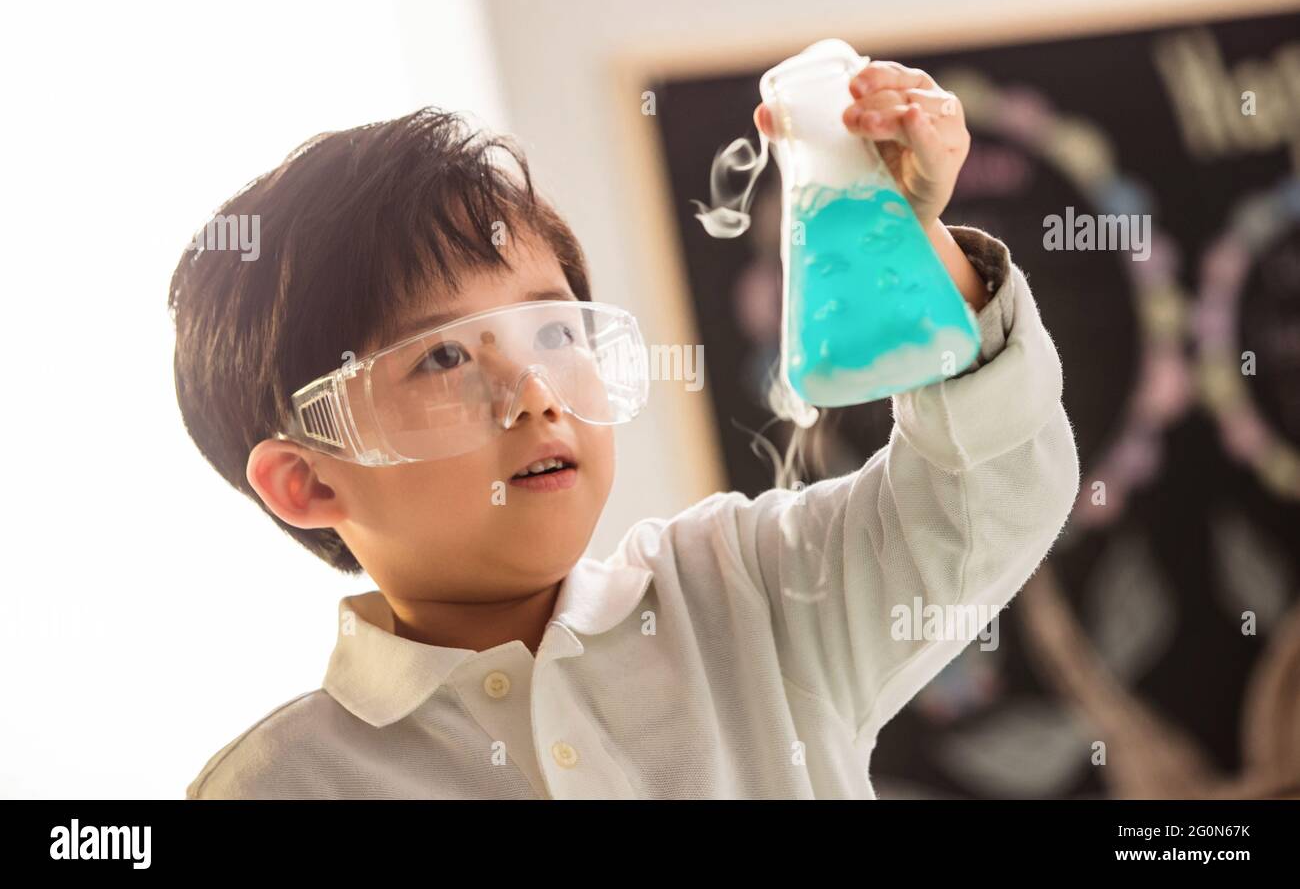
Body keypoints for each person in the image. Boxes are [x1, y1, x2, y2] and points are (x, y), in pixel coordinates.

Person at [175, 59, 1080, 798]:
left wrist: (908, 246)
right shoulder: (283, 784)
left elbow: (987, 497)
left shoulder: (747, 594)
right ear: (310, 482)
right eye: (445, 358)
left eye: (557, 333)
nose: (535, 396)